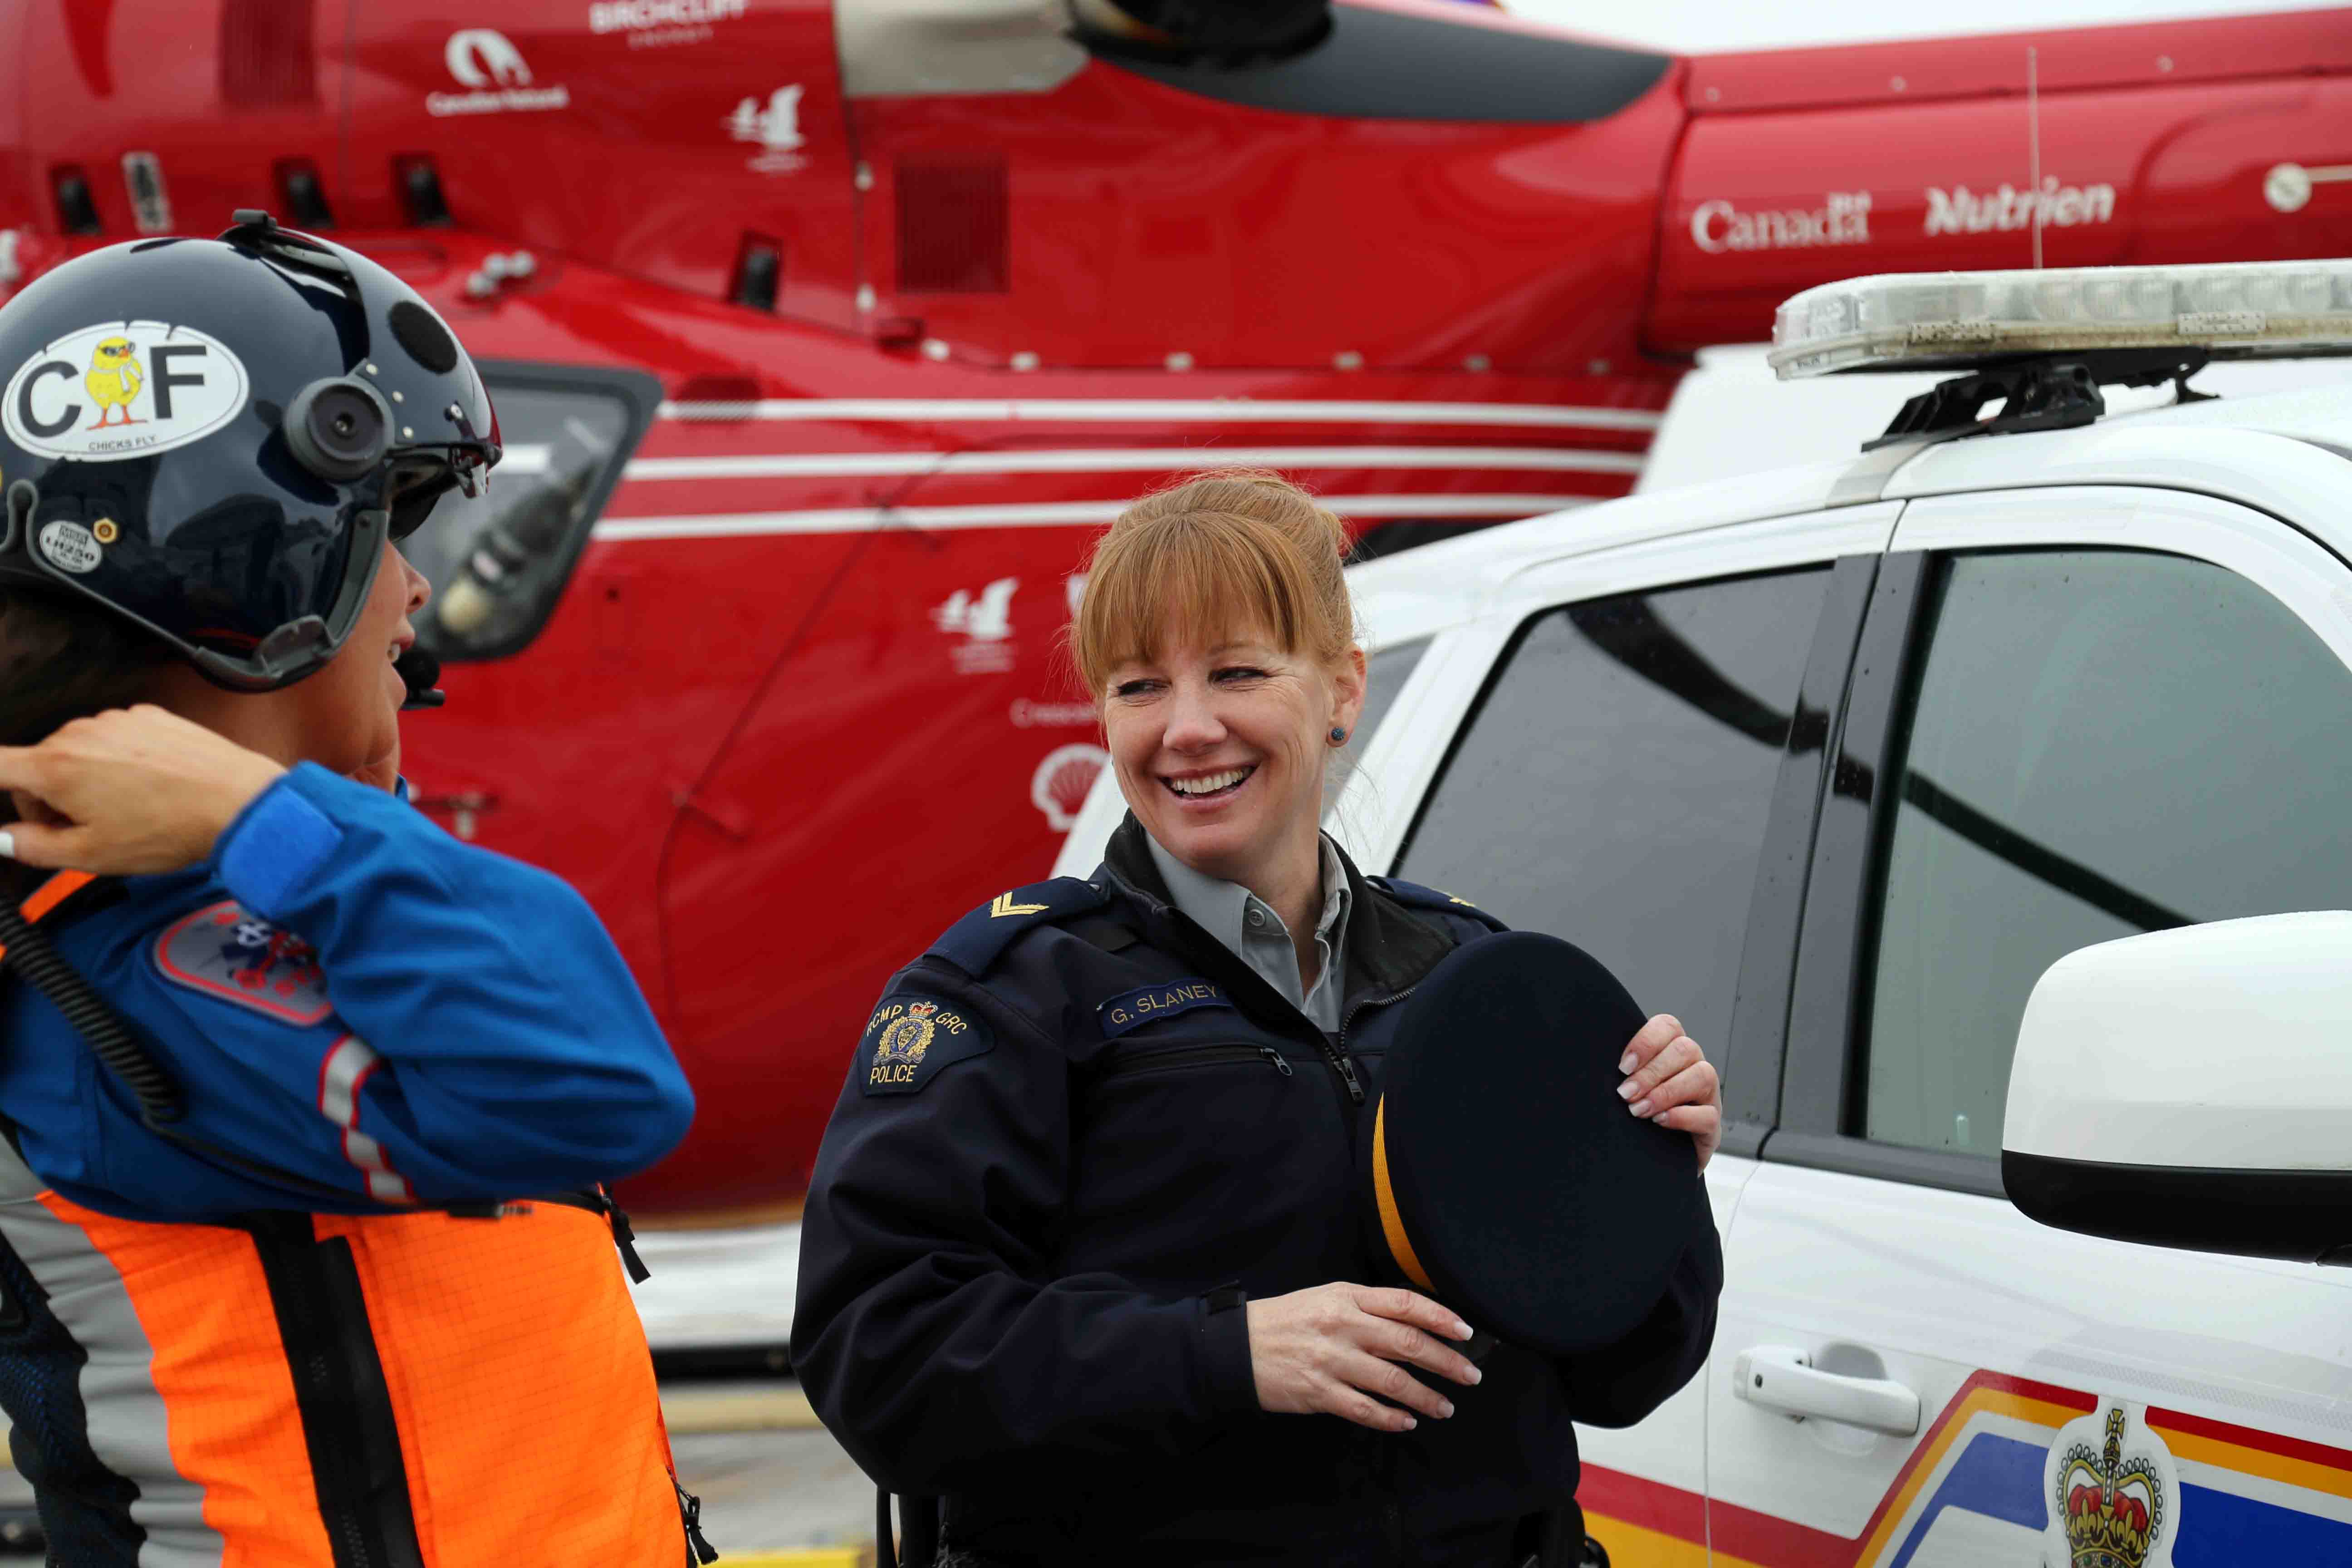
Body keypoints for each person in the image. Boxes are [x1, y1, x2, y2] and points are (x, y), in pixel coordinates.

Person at [793, 471, 1724, 1566]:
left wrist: (1649, 1182)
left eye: (1236, 673)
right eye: (1140, 687)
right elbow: (879, 1357)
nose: (1188, 730)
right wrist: (1224, 1355)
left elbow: (1625, 1376)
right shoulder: (1008, 995)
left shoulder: (1476, 979)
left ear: (1342, 690)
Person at [0, 217, 710, 1565]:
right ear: (253, 571)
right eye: (385, 531)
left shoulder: (199, 899)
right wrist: (281, 826)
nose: (415, 588)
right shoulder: (136, 966)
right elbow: (595, 1081)